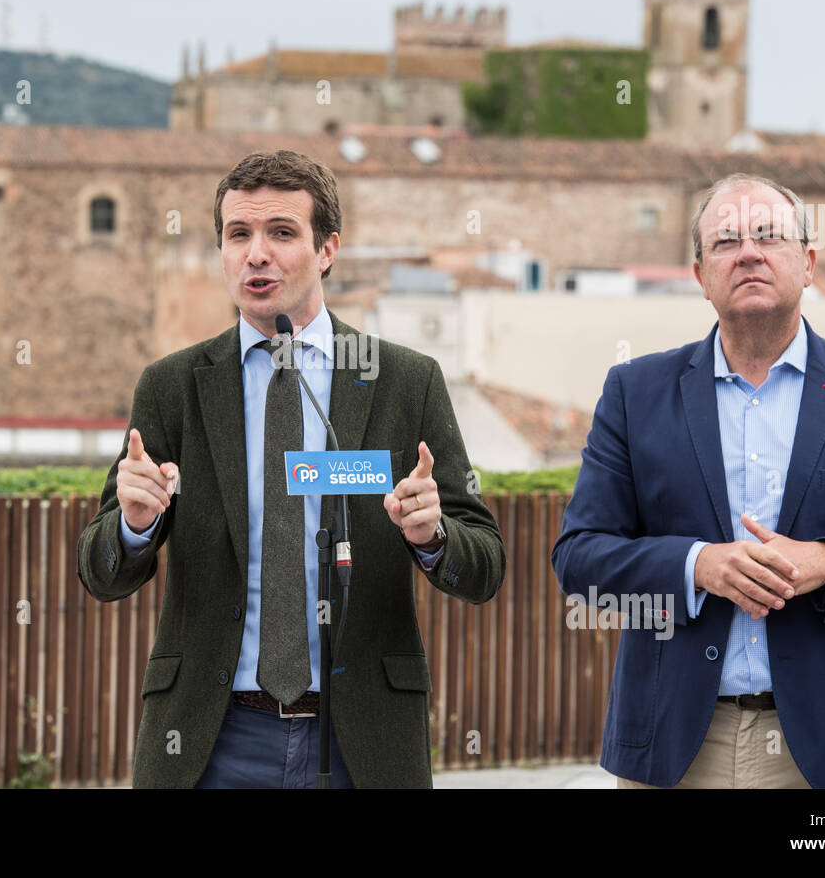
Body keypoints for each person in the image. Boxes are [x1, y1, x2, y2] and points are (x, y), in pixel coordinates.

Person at [77, 149, 505, 788]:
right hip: (211, 739)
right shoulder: (173, 388)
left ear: (328, 248)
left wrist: (433, 537)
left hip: (360, 738)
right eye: (238, 235)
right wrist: (133, 526)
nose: (256, 254)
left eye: (282, 233)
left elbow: (485, 568)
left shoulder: (403, 382)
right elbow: (101, 573)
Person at [552, 173, 825, 789]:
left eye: (768, 237)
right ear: (700, 277)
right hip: (673, 745)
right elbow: (578, 559)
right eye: (725, 242)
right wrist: (699, 565)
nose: (748, 251)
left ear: (807, 264)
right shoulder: (633, 394)